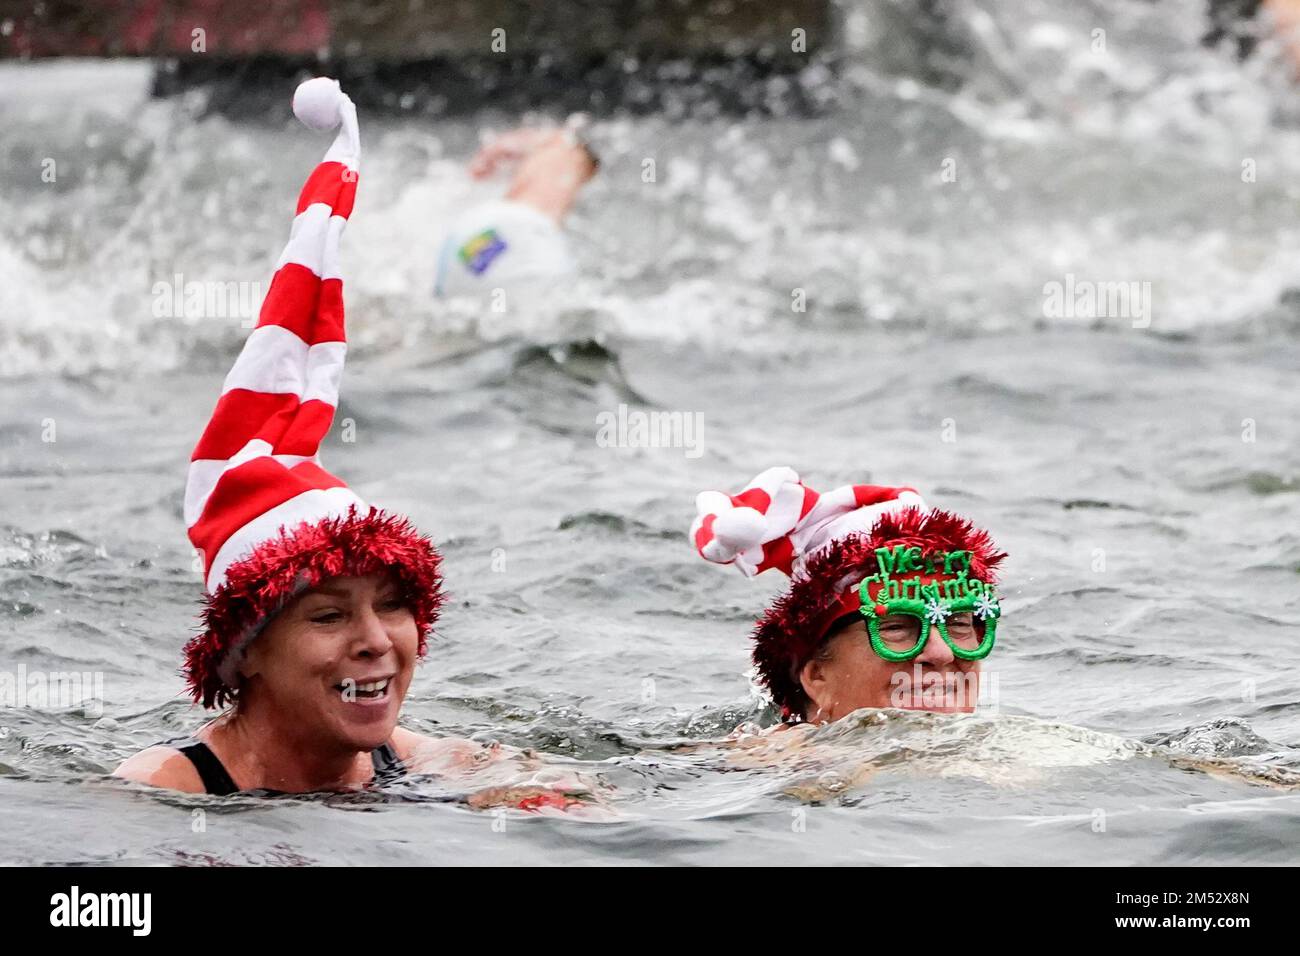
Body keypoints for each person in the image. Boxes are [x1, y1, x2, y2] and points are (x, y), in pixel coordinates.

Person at [113, 79, 587, 808]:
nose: (375, 642)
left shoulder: (442, 766)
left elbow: (616, 806)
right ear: (245, 654)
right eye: (329, 615)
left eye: (392, 606)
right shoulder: (162, 794)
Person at [690, 466, 1007, 724]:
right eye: (896, 627)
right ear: (817, 677)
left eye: (960, 623)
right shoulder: (747, 766)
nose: (940, 653)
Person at [432, 122, 599, 298]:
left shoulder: (548, 143)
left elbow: (482, 164)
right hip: (525, 232)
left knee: (471, 300)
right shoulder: (566, 144)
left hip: (477, 233)